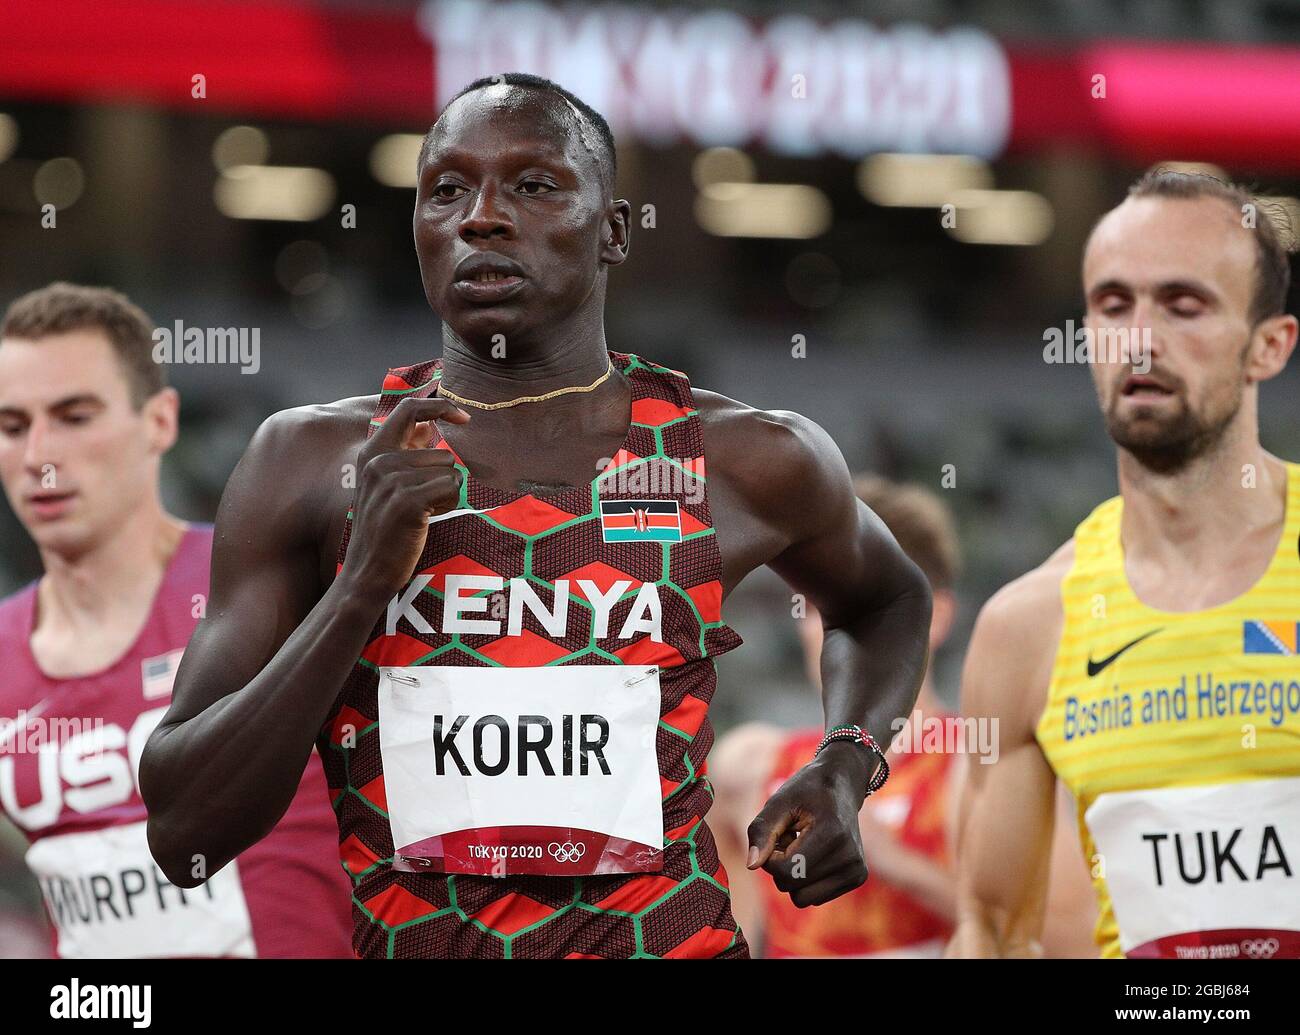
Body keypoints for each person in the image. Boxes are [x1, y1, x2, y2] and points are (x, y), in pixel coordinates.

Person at [139, 74, 933, 959]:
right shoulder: (307, 463)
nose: (481, 216)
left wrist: (844, 764)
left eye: (533, 184)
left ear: (615, 231)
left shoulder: (745, 457)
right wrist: (360, 587)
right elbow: (185, 834)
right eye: (446, 189)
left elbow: (888, 601)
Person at [951, 171, 1300, 959]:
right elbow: (994, 933)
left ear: (1269, 345)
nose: (1140, 336)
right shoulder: (1030, 625)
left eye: (1184, 304)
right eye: (1114, 305)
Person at [0, 282, 353, 959]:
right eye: (14, 426)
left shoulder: (270, 590)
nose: (40, 455)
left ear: (160, 422)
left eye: (74, 416)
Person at [711, 475, 963, 957]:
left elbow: (1038, 935)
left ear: (936, 617)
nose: (827, 629)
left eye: (859, 609)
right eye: (812, 608)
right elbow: (727, 931)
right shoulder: (752, 766)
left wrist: (893, 860)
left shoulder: (976, 763)